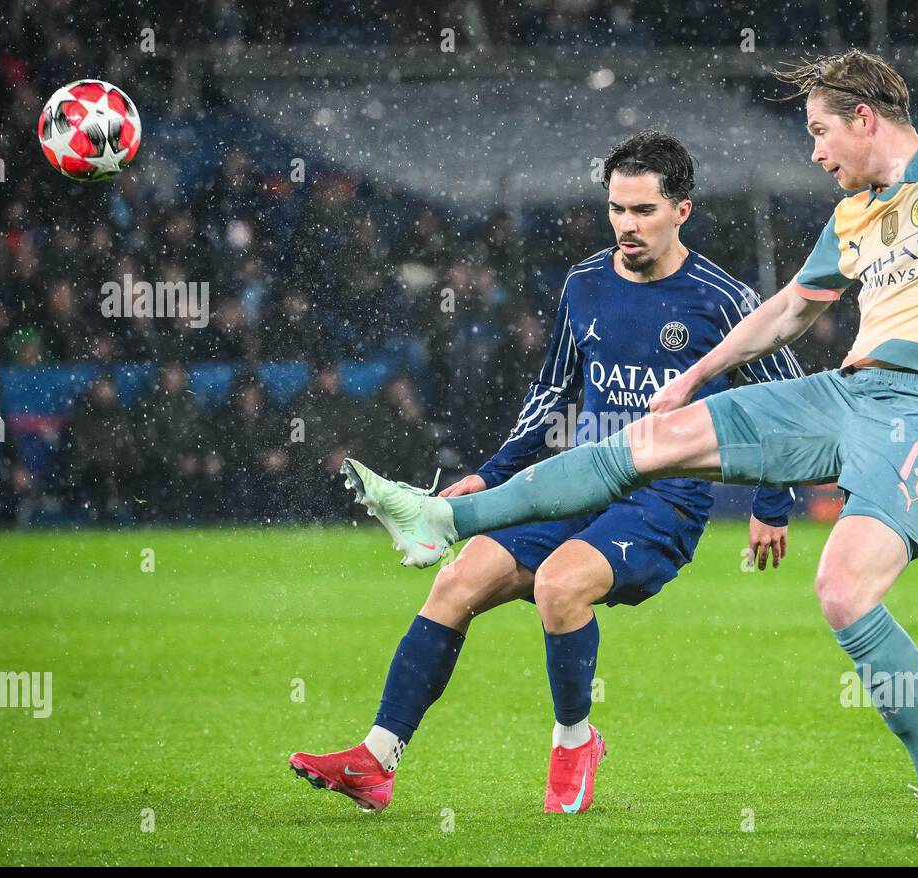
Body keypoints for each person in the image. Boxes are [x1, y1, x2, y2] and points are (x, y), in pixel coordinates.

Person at [290, 132, 802, 815]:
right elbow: (551, 389)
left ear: (682, 211)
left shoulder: (724, 299)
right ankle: (376, 760)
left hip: (665, 500)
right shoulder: (585, 283)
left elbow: (785, 402)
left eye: (644, 209)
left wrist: (772, 503)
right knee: (457, 578)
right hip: (580, 480)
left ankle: (574, 741)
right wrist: (492, 475)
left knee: (562, 586)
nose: (627, 223)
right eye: (617, 208)